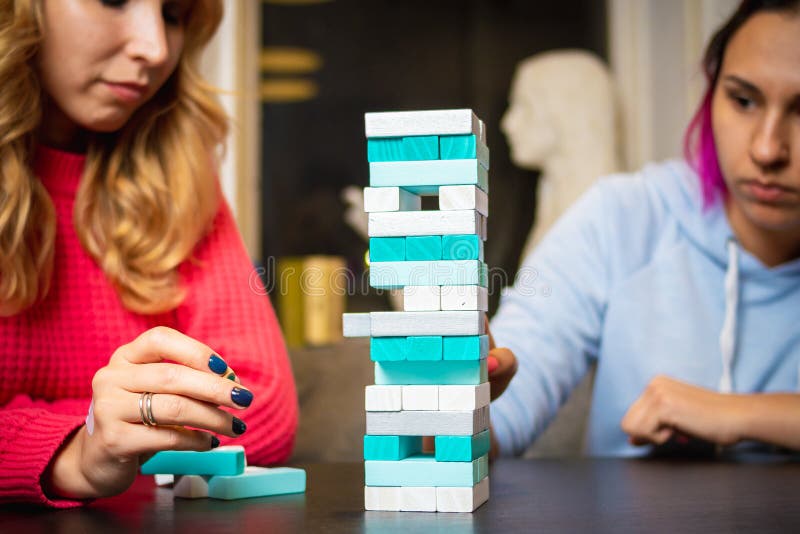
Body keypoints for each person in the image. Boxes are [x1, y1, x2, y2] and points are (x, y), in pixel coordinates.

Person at [0, 0, 297, 506]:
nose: (155, 48)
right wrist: (78, 446)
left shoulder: (179, 178)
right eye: (114, 0)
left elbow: (264, 408)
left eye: (174, 15)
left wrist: (40, 424)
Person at [486, 0, 800, 457]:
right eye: (744, 100)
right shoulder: (624, 218)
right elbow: (508, 403)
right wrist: (454, 417)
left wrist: (739, 414)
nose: (768, 148)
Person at [501, 49, 621, 265]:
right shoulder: (554, 207)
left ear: (566, 112)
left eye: (525, 106)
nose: (508, 124)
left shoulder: (606, 219)